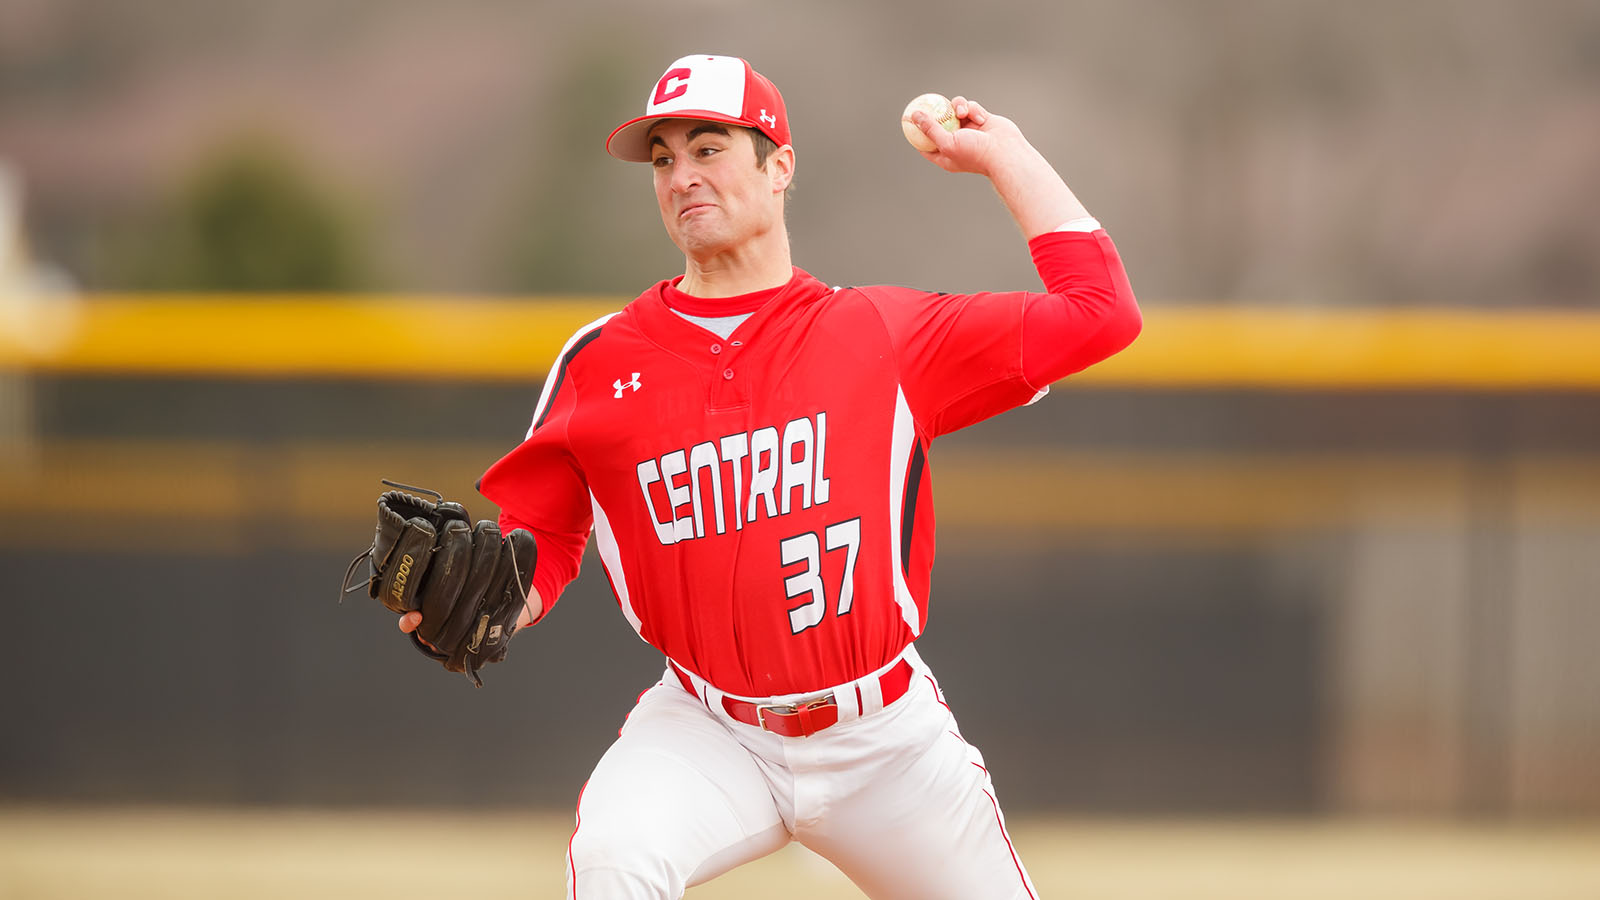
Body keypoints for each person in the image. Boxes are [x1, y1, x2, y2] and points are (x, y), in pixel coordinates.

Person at [400, 53, 1140, 899]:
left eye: (708, 148)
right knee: (614, 861)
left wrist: (1006, 156)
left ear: (779, 166)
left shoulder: (882, 335)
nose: (681, 175)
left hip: (886, 741)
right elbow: (546, 536)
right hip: (710, 728)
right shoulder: (602, 362)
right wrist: (497, 603)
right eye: (663, 158)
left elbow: (1101, 313)